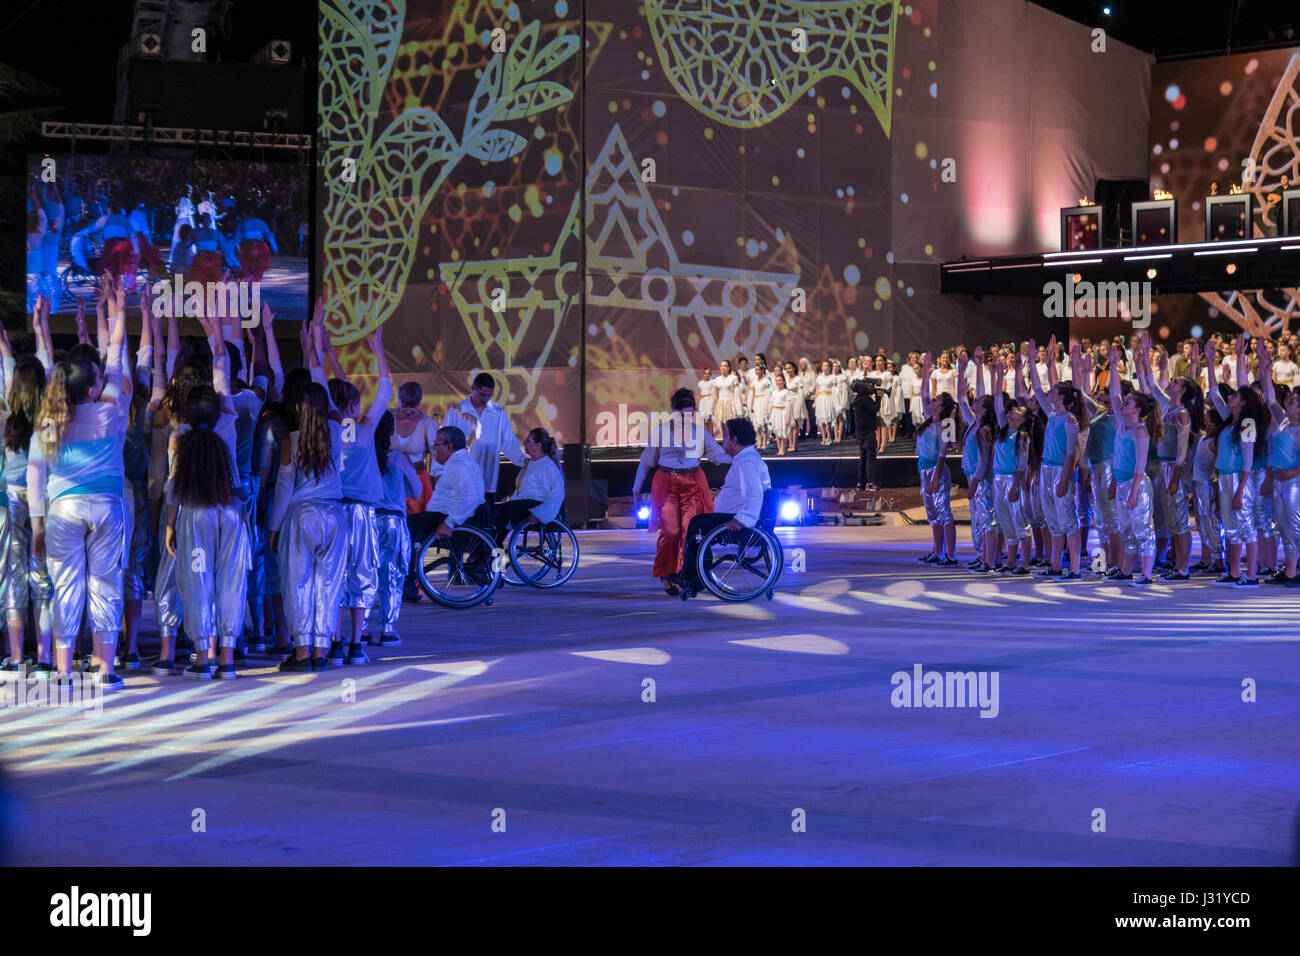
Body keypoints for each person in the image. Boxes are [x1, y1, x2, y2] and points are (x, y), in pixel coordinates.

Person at [27, 276, 131, 688]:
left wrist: (37, 523)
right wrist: (118, 311)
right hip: (106, 506)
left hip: (62, 510)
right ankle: (105, 670)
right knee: (105, 583)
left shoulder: (51, 420)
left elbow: (36, 471)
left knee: (65, 586)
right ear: (92, 387)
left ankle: (64, 671)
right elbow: (117, 355)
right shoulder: (110, 411)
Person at [631, 387, 731, 596]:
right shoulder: (661, 431)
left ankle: (684, 575)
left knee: (690, 532)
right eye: (682, 414)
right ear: (673, 411)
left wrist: (740, 457)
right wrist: (636, 488)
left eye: (690, 414)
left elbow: (716, 454)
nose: (687, 419)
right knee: (670, 532)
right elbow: (647, 461)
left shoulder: (700, 433)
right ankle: (666, 573)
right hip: (667, 484)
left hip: (693, 484)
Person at [669, 417, 771, 595]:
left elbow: (755, 493)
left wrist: (741, 520)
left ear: (735, 440)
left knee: (696, 524)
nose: (723, 441)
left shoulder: (746, 463)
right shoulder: (749, 458)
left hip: (741, 524)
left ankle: (694, 578)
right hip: (740, 518)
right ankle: (696, 574)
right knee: (700, 524)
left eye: (725, 437)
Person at [366, 411, 420, 646]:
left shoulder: (364, 455)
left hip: (368, 519)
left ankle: (362, 627)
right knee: (392, 575)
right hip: (394, 521)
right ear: (391, 432)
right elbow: (416, 491)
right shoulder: (397, 458)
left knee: (365, 573)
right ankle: (387, 629)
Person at [441, 372, 524, 513]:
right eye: (482, 394)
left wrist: (525, 461)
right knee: (462, 525)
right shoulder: (457, 411)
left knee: (484, 523)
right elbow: (444, 443)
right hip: (462, 480)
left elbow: (509, 444)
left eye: (489, 395)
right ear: (473, 388)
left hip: (488, 481)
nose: (485, 399)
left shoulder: (498, 413)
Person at [410, 425, 486, 543]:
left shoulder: (459, 465)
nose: (434, 449)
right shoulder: (457, 462)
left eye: (436, 444)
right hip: (442, 515)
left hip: (448, 520)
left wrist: (449, 523)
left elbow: (471, 496)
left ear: (449, 446)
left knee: (405, 525)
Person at [494, 427, 565, 543]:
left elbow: (558, 494)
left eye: (528, 441)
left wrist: (539, 513)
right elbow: (524, 488)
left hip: (538, 505)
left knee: (505, 510)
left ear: (538, 445)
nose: (524, 444)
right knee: (493, 510)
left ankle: (496, 550)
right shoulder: (529, 463)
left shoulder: (548, 466)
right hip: (526, 503)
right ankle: (488, 549)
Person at [390, 381, 440, 513]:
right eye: (405, 406)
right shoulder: (388, 418)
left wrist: (439, 482)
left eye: (413, 406)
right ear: (399, 401)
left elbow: (438, 456)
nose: (409, 411)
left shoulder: (427, 423)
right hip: (389, 480)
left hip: (416, 480)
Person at [850, 371, 880, 491]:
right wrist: (878, 398)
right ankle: (870, 483)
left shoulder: (857, 400)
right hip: (868, 433)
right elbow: (875, 409)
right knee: (870, 458)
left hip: (860, 432)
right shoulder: (865, 400)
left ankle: (860, 483)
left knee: (863, 458)